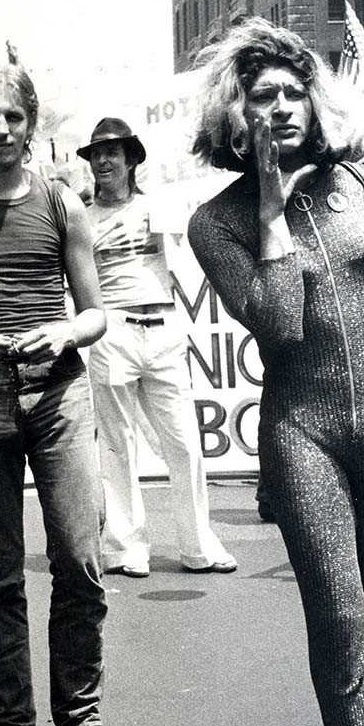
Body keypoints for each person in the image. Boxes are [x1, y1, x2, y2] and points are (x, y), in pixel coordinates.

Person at [187, 19, 364, 726]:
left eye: (292, 92)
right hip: (302, 431)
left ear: (311, 101)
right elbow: (280, 323)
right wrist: (275, 212)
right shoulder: (214, 222)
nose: (279, 107)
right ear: (235, 113)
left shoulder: (355, 179)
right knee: (342, 614)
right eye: (261, 96)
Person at [0, 63, 136, 726]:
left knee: (81, 563)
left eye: (13, 117)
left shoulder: (62, 204)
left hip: (59, 396)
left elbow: (95, 312)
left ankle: (81, 723)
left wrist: (61, 332)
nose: (1, 129)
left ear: (31, 125)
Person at [78, 116, 236, 578]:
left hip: (162, 326)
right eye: (96, 154)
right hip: (113, 331)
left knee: (185, 443)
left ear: (131, 160)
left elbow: (193, 250)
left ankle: (199, 546)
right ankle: (127, 548)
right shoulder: (81, 219)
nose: (103, 161)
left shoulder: (161, 205)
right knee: (116, 446)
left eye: (113, 152)